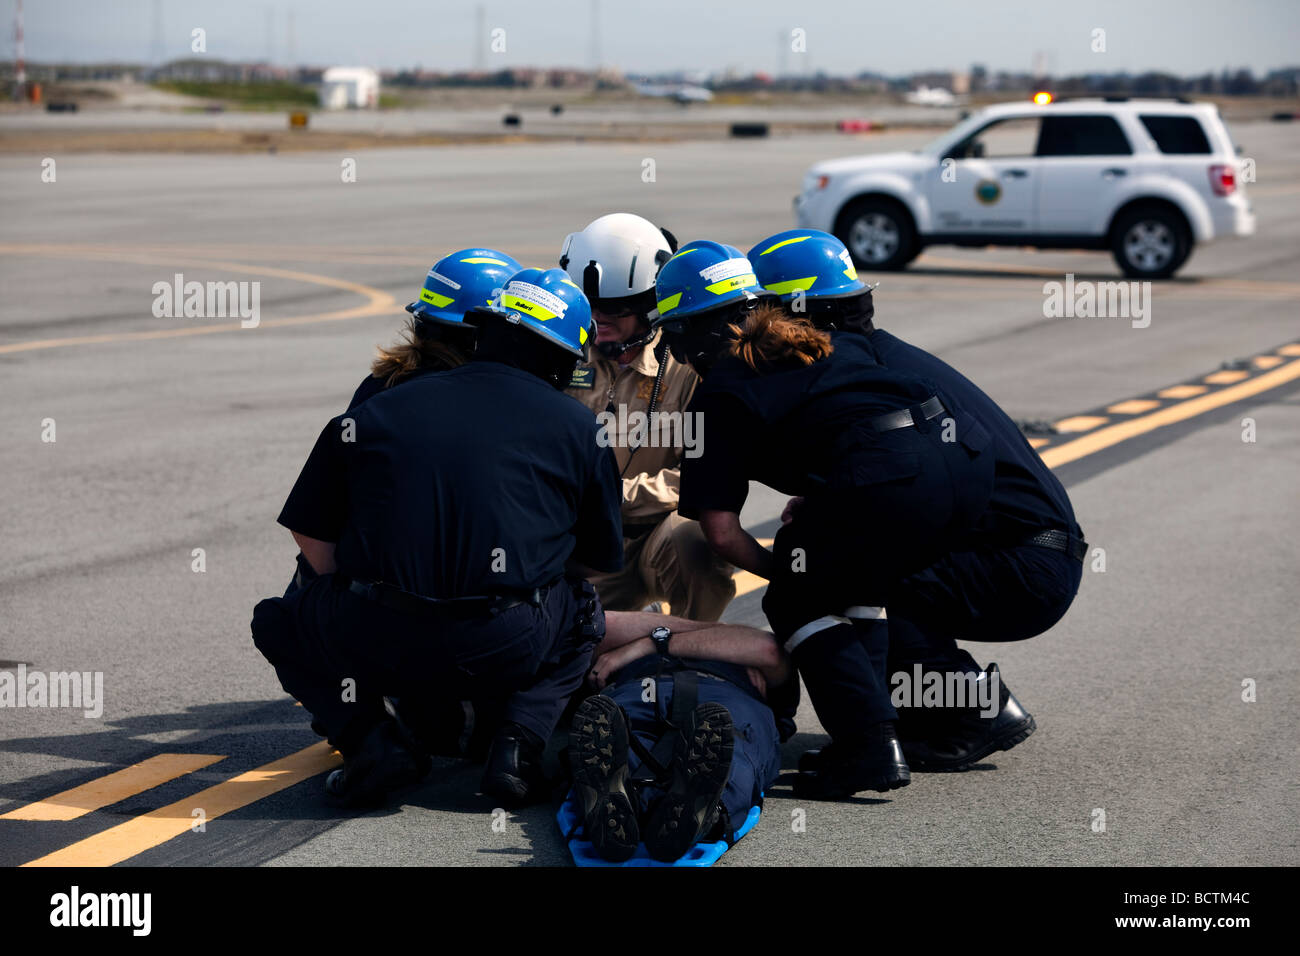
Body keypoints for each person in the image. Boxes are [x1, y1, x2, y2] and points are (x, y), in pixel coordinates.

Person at [250, 267, 625, 808]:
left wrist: (358, 598)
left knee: (280, 619)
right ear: (565, 358)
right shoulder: (579, 428)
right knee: (582, 610)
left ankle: (370, 742)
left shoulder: (378, 406)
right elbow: (595, 562)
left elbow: (310, 533)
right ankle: (517, 750)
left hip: (373, 637)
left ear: (486, 331)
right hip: (504, 643)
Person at [651, 240, 995, 800]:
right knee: (855, 577)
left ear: (693, 332)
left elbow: (720, 532)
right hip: (965, 469)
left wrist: (785, 572)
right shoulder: (815, 340)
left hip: (891, 477)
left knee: (796, 598)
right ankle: (927, 723)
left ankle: (868, 747)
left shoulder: (721, 394)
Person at [748, 229, 1085, 772]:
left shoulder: (870, 373)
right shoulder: (876, 361)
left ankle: (978, 708)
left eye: (760, 312)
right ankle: (924, 709)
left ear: (797, 312)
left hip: (1022, 564)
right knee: (844, 556)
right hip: (1024, 552)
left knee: (840, 573)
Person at [284, 248, 520, 599]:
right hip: (466, 607)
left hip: (371, 597)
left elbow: (312, 523)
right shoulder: (506, 406)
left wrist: (343, 594)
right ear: (484, 335)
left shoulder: (380, 386)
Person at [557, 214, 736, 621]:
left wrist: (617, 495)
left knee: (696, 537)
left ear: (648, 307)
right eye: (590, 306)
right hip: (584, 543)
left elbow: (706, 477)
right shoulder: (558, 358)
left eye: (616, 308)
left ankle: (694, 646)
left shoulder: (690, 366)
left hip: (657, 534)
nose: (599, 319)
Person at [569, 610, 787, 862]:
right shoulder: (732, 638)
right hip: (661, 689)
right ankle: (688, 811)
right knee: (611, 736)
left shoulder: (643, 642)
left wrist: (652, 642)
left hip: (693, 691)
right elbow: (609, 624)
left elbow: (766, 648)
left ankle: (656, 805)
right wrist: (712, 630)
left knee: (725, 740)